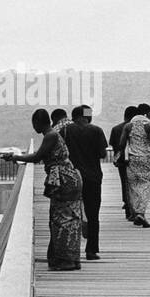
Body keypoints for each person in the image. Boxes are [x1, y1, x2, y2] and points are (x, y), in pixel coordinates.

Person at [2, 108, 83, 270]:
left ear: (38, 122)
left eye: (34, 123)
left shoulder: (51, 136)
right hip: (70, 178)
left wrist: (15, 157)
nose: (33, 127)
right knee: (69, 218)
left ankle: (64, 261)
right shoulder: (53, 134)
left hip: (63, 180)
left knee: (61, 220)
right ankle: (71, 259)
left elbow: (37, 157)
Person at [63, 104, 108, 259]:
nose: (90, 118)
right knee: (93, 213)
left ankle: (70, 249)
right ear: (84, 116)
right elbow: (103, 153)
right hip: (93, 177)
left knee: (69, 213)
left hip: (72, 177)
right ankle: (91, 250)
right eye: (89, 115)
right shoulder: (96, 130)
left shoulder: (66, 131)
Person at [123, 103, 150, 227]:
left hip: (132, 159)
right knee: (146, 185)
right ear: (146, 113)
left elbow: (121, 143)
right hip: (146, 159)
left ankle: (136, 211)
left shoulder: (128, 126)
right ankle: (141, 212)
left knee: (133, 186)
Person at [108, 106, 137, 220]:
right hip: (135, 160)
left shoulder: (116, 129)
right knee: (135, 184)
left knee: (125, 183)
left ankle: (127, 206)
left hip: (121, 162)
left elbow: (115, 146)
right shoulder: (138, 129)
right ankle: (135, 209)